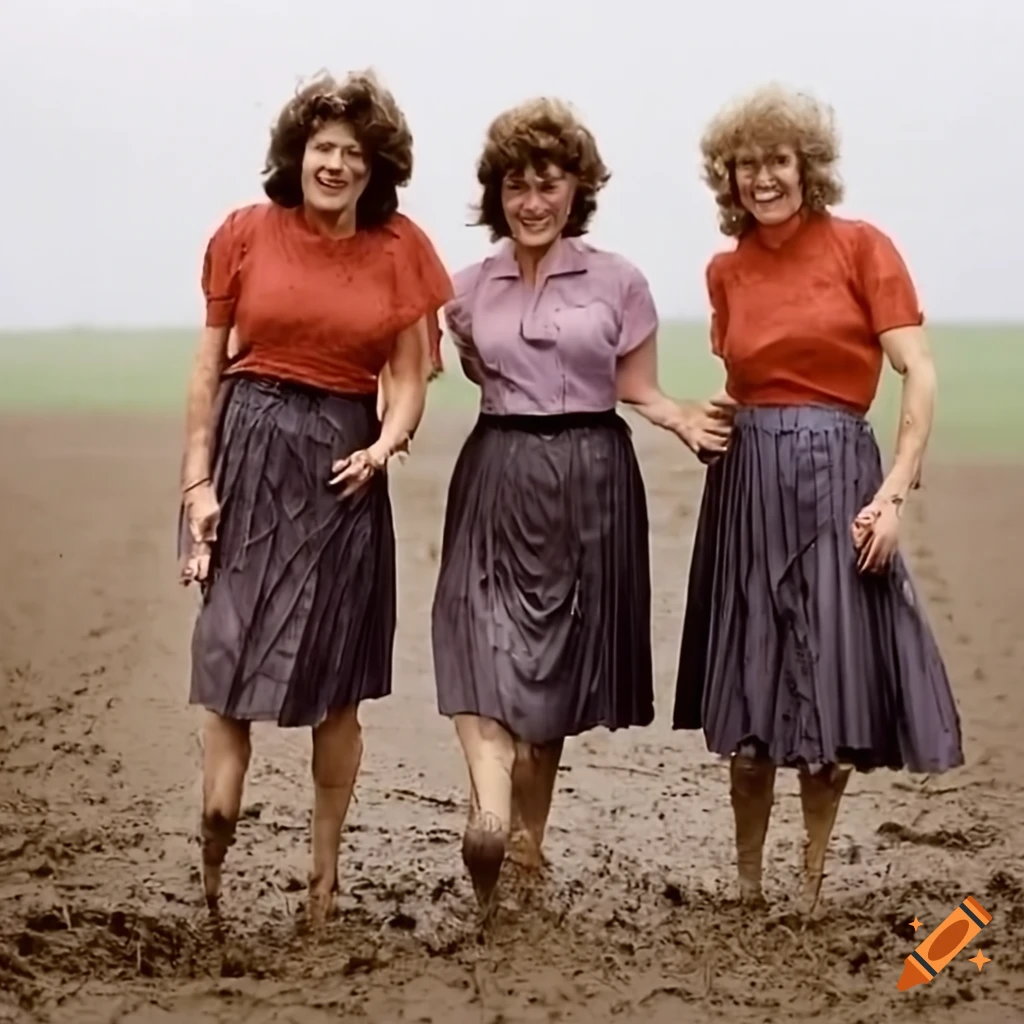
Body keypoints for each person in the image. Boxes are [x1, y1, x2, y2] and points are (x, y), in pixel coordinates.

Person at [431, 97, 735, 916]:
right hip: (496, 466)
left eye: (549, 183)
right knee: (478, 630)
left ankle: (525, 840)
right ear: (496, 195)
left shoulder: (619, 280)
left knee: (557, 655)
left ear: (576, 190)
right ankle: (491, 804)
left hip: (593, 472)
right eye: (516, 185)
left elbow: (633, 383)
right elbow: (463, 370)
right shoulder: (461, 291)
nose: (532, 201)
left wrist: (679, 420)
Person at [672, 85, 963, 915]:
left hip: (840, 478)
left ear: (807, 167)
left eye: (778, 160)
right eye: (747, 164)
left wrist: (894, 493)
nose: (763, 178)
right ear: (728, 177)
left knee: (828, 689)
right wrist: (708, 419)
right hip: (749, 488)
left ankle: (810, 880)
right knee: (751, 689)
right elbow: (744, 381)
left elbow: (921, 370)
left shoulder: (862, 247)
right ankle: (749, 883)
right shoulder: (724, 270)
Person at [178, 70, 453, 925]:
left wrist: (384, 443)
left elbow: (408, 377)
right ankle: (215, 840)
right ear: (296, 155)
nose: (334, 163)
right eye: (322, 147)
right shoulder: (244, 233)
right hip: (247, 451)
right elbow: (208, 365)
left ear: (376, 170)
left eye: (353, 153)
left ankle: (323, 881)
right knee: (228, 658)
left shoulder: (400, 246)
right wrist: (197, 480)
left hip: (343, 465)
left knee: (337, 681)